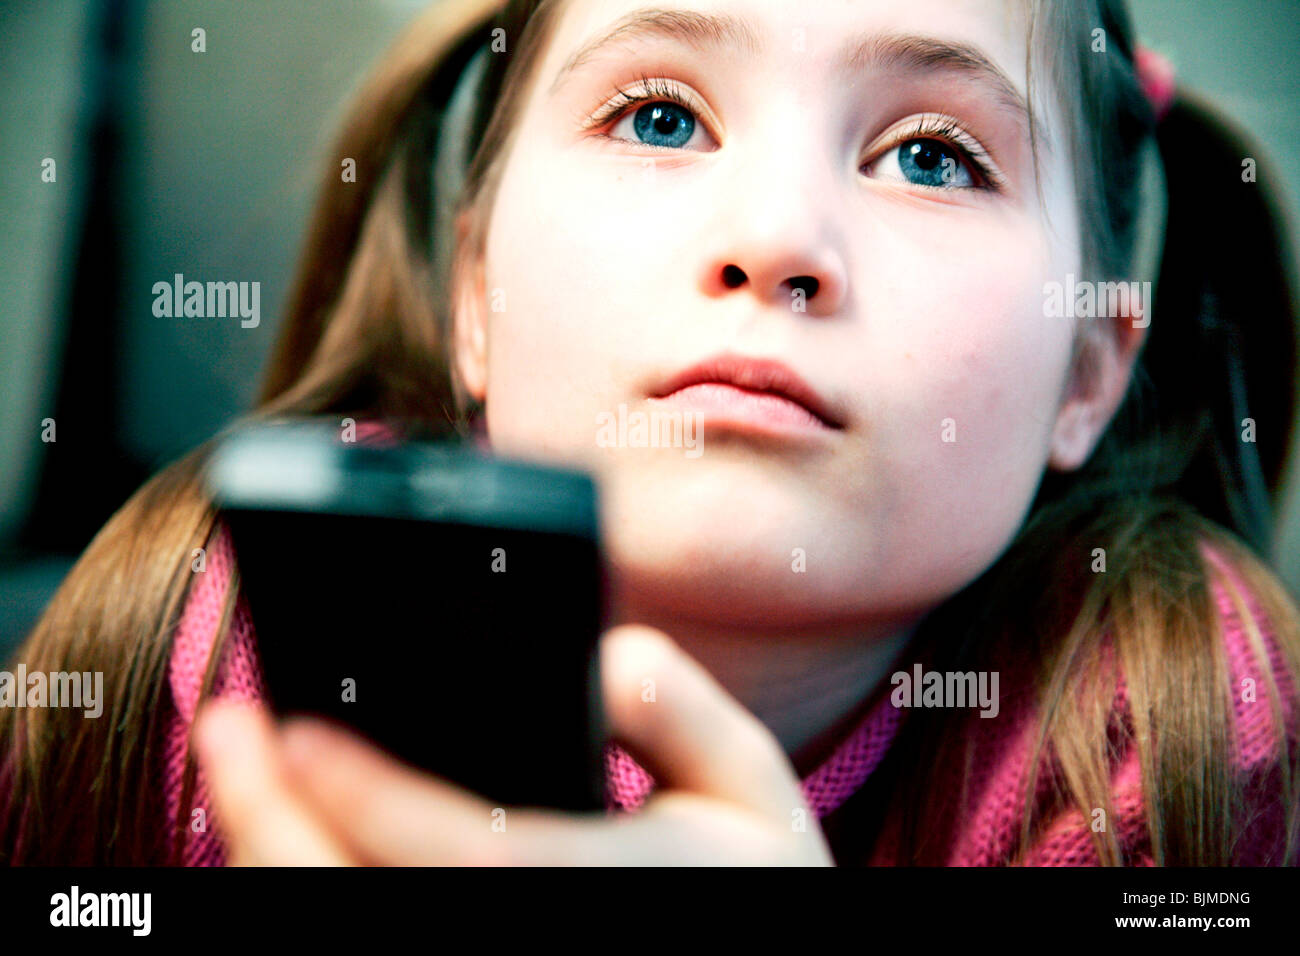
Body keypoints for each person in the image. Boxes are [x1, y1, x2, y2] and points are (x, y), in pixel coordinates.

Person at [3, 0, 1298, 866]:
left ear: (1086, 373)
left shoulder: (1186, 736)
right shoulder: (218, 651)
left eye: (931, 157)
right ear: (473, 304)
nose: (775, 239)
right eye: (660, 118)